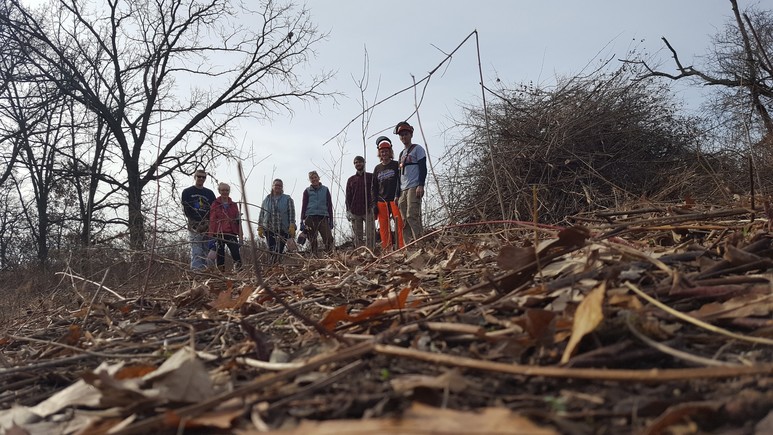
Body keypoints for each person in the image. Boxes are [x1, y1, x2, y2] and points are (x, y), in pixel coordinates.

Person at [395, 121, 427, 244]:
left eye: (406, 134)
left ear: (411, 134)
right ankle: (408, 246)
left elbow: (423, 168)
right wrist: (397, 194)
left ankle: (420, 244)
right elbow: (399, 175)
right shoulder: (401, 154)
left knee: (412, 216)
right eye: (401, 135)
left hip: (414, 187)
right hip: (403, 190)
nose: (404, 137)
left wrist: (421, 185)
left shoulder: (418, 149)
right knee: (404, 220)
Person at [372, 136, 404, 250]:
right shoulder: (377, 168)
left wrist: (399, 195)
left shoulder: (396, 165)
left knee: (399, 224)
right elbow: (374, 187)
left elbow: (401, 180)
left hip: (394, 198)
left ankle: (402, 247)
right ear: (379, 154)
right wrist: (374, 203)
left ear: (390, 152)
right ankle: (387, 249)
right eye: (382, 152)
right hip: (381, 200)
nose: (384, 153)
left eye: (386, 151)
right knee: (384, 227)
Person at [181, 169, 216, 270]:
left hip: (207, 226)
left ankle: (207, 272)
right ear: (195, 177)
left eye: (203, 177)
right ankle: (197, 272)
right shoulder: (187, 192)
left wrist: (208, 223)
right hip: (194, 225)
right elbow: (186, 209)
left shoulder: (209, 193)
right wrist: (195, 223)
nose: (201, 178)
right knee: (196, 251)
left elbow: (214, 209)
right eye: (199, 176)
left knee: (206, 250)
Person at [258, 178, 296, 263]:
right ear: (272, 186)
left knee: (279, 250)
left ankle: (276, 264)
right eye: (276, 185)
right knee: (272, 250)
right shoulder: (266, 200)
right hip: (269, 229)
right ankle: (275, 266)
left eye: (280, 185)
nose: (278, 187)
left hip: (283, 229)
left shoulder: (287, 199)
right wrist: (260, 227)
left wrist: (292, 225)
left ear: (282, 187)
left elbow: (292, 213)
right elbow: (262, 214)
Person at [208, 182, 242, 271]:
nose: (225, 192)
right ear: (219, 191)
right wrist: (211, 236)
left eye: (227, 190)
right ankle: (221, 273)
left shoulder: (233, 205)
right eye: (223, 190)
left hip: (231, 233)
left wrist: (240, 235)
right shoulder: (215, 204)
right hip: (219, 233)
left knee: (236, 253)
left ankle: (239, 272)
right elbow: (212, 220)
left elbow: (238, 221)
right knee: (220, 255)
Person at [300, 171, 334, 255]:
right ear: (310, 180)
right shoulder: (307, 191)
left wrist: (331, 219)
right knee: (312, 240)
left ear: (319, 178)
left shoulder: (325, 190)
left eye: (315, 177)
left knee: (328, 238)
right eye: (312, 178)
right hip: (310, 217)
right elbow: (304, 206)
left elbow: (329, 205)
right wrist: (302, 220)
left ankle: (330, 256)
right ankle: (314, 257)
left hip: (323, 217)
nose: (314, 179)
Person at [345, 156, 375, 249]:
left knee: (370, 234)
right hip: (355, 211)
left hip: (368, 209)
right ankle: (359, 253)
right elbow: (348, 196)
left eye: (360, 162)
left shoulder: (370, 177)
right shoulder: (351, 180)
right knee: (358, 236)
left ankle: (371, 251)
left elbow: (375, 192)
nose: (358, 164)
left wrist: (374, 206)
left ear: (364, 163)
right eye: (356, 162)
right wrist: (348, 211)